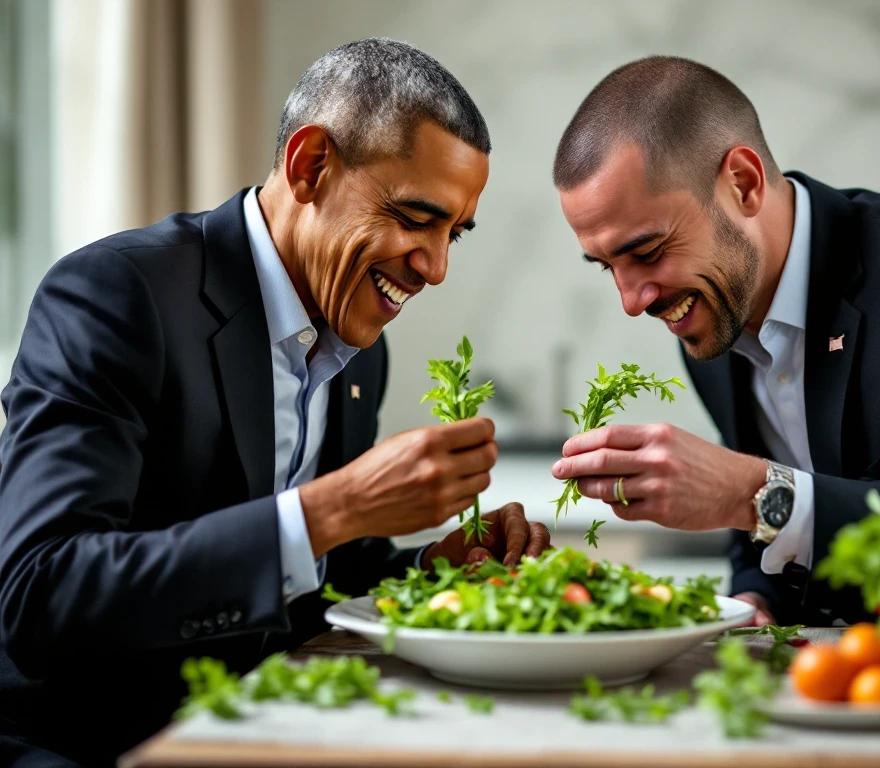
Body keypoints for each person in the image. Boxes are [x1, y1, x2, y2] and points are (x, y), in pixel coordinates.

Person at [0, 38, 548, 767]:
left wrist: (436, 571)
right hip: (86, 744)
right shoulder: (117, 294)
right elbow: (40, 591)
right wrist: (336, 508)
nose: (437, 267)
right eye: (417, 219)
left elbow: (318, 578)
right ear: (310, 165)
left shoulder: (360, 348)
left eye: (455, 232)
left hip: (259, 730)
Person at [550, 56, 880, 629]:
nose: (632, 300)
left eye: (648, 252)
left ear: (743, 184)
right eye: (608, 267)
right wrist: (755, 600)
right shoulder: (706, 318)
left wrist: (751, 493)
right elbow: (764, 545)